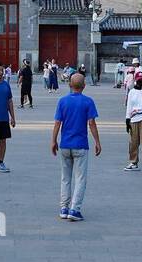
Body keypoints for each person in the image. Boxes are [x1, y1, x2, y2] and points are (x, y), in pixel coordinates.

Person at [51, 72, 100, 221]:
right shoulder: (88, 102)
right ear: (84, 86)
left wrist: (53, 141)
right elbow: (91, 123)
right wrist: (97, 142)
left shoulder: (62, 101)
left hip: (65, 144)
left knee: (65, 178)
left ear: (69, 85)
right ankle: (74, 209)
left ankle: (64, 208)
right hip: (80, 145)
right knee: (80, 179)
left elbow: (57, 123)